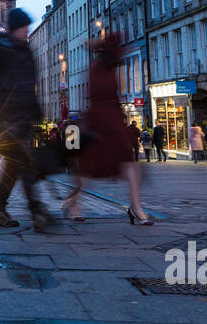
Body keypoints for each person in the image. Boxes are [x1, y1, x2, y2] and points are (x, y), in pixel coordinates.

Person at [64, 33, 153, 225]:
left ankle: (136, 208)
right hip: (100, 121)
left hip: (113, 118)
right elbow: (98, 97)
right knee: (88, 168)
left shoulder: (110, 67)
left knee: (129, 162)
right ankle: (73, 202)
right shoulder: (97, 68)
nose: (121, 56)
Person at [0, 8, 53, 230]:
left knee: (15, 166)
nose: (27, 30)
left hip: (22, 120)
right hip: (3, 120)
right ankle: (36, 209)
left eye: (28, 27)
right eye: (23, 27)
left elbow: (30, 85)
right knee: (24, 162)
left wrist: (36, 113)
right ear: (13, 28)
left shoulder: (25, 50)